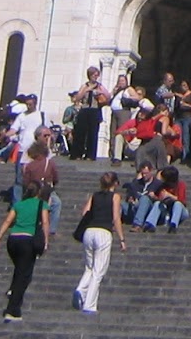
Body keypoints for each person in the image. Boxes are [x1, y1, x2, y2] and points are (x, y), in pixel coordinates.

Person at [0, 181, 51, 321]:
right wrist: (46, 241)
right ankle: (12, 310)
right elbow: (46, 222)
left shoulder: (19, 204)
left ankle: (13, 290)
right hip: (27, 241)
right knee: (24, 276)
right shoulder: (42, 204)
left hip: (13, 240)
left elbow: (7, 221)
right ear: (39, 192)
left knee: (20, 270)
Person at [72, 171, 128, 315]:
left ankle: (81, 289)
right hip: (103, 232)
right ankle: (89, 305)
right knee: (99, 271)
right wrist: (121, 239)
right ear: (114, 183)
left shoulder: (94, 196)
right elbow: (116, 218)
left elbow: (85, 212)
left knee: (89, 267)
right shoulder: (115, 197)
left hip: (89, 231)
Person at [70, 67, 109, 160]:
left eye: (97, 75)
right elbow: (77, 98)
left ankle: (90, 155)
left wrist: (101, 92)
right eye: (94, 75)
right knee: (80, 132)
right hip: (85, 109)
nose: (95, 77)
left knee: (93, 133)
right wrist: (87, 90)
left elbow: (108, 96)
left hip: (95, 110)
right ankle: (77, 154)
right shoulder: (85, 86)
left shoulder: (100, 86)